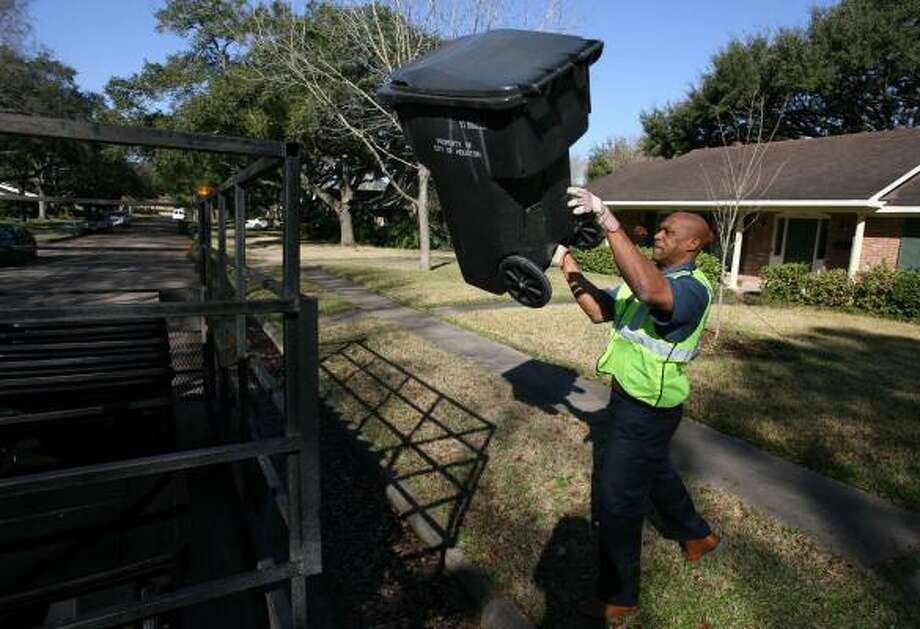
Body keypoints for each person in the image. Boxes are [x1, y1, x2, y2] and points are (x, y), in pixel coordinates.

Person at [555, 186, 721, 627]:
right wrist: (566, 263)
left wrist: (609, 221)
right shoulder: (645, 277)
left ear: (693, 244)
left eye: (670, 232)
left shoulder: (692, 289)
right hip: (627, 399)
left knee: (615, 501)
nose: (660, 236)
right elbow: (598, 310)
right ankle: (697, 535)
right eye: (659, 229)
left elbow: (652, 294)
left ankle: (620, 596)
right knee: (657, 474)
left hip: (650, 408)